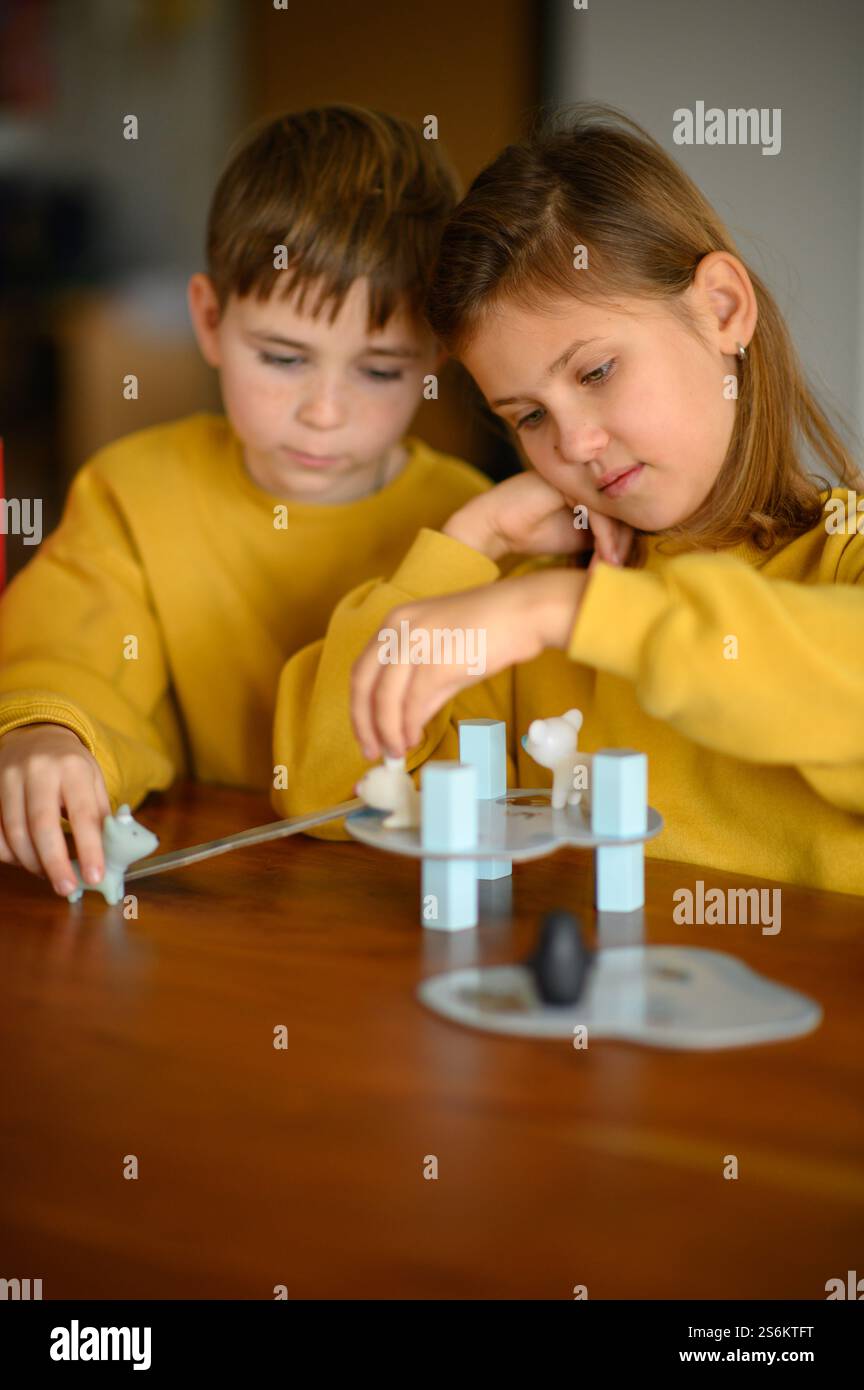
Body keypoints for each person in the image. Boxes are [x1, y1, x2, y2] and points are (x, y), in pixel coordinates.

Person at [278, 105, 864, 894]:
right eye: (529, 416)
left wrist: (562, 612)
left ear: (721, 309)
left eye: (594, 373)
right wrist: (471, 537)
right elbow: (328, 799)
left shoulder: (844, 558)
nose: (576, 443)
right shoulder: (515, 609)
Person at [0, 104, 498, 897]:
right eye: (283, 356)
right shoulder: (134, 489)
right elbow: (70, 648)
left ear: (436, 357)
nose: (325, 411)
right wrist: (48, 729)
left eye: (378, 370)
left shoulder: (470, 530)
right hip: (203, 915)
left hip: (399, 918)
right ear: (209, 319)